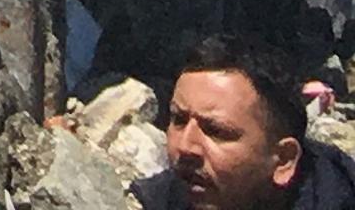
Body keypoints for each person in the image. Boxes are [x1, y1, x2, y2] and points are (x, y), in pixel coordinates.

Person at [148, 45, 355, 210]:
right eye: (179, 120)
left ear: (283, 160)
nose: (185, 146)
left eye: (216, 131)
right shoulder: (160, 199)